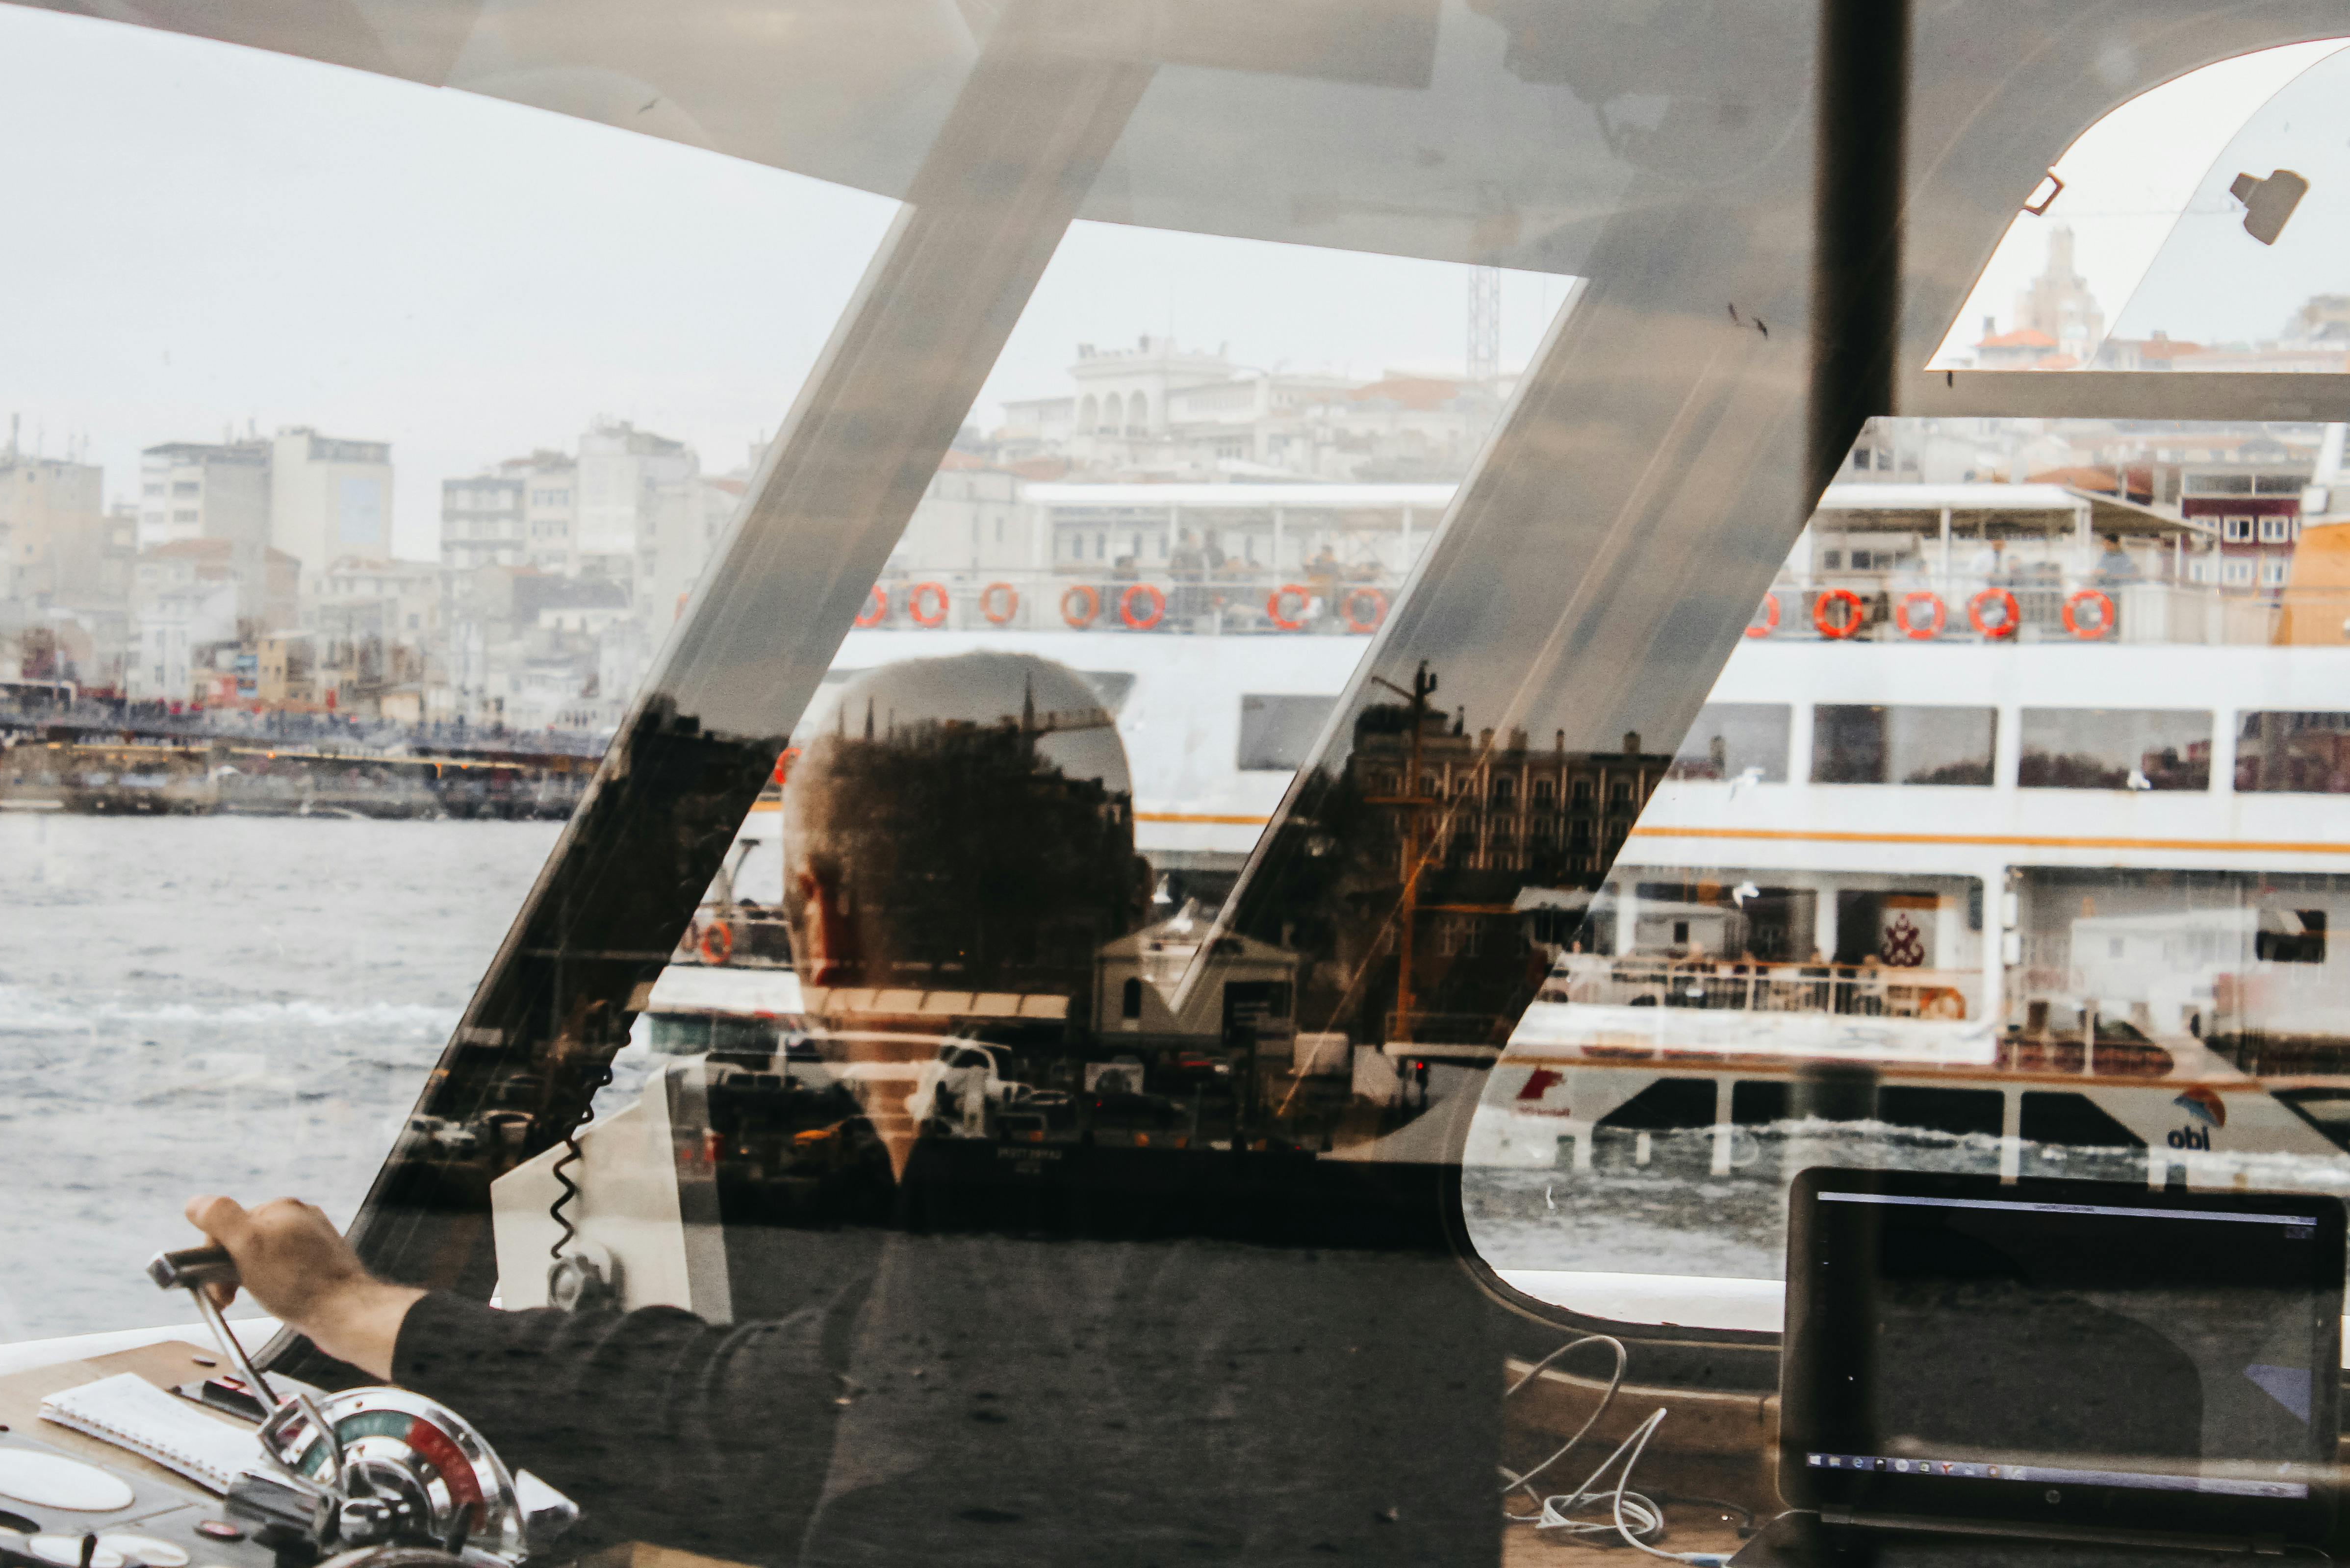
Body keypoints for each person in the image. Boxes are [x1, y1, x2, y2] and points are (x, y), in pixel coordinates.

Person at [185, 652, 1508, 1568]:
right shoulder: (1197, 1146)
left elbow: (777, 1426)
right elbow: (770, 1406)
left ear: (815, 924)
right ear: (1136, 889)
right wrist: (357, 1308)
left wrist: (346, 1309)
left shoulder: (1030, 1200)